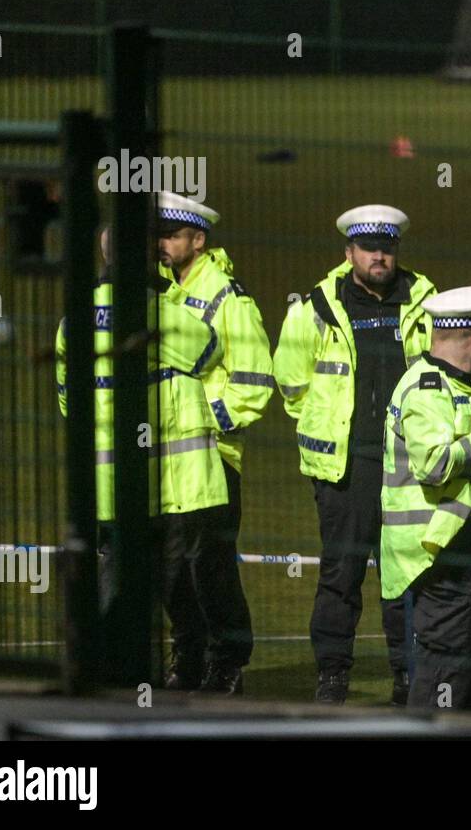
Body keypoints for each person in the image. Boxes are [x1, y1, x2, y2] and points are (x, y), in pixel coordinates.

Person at [272, 205, 437, 705]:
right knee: (341, 574)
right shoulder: (316, 307)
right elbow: (291, 382)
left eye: (386, 247)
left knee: (405, 573)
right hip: (347, 467)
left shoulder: (424, 303)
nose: (379, 256)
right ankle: (333, 674)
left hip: (408, 465)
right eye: (369, 248)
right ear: (349, 253)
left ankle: (407, 675)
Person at [55, 224, 230, 689]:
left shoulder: (73, 320)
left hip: (106, 480)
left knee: (119, 568)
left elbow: (68, 401)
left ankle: (118, 663)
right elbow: (208, 349)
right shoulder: (155, 310)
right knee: (154, 581)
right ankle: (119, 668)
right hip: (163, 479)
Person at [156, 191, 272, 695]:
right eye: (157, 235)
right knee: (169, 563)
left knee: (211, 566)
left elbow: (253, 379)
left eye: (171, 236)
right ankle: (188, 651)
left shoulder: (229, 297)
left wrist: (205, 421)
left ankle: (226, 660)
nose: (161, 245)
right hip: (162, 455)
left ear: (197, 240)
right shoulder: (156, 289)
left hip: (211, 457)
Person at [379, 285, 471, 710]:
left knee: (451, 660)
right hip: (436, 550)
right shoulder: (428, 390)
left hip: (443, 544)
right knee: (444, 665)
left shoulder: (449, 382)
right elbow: (433, 464)